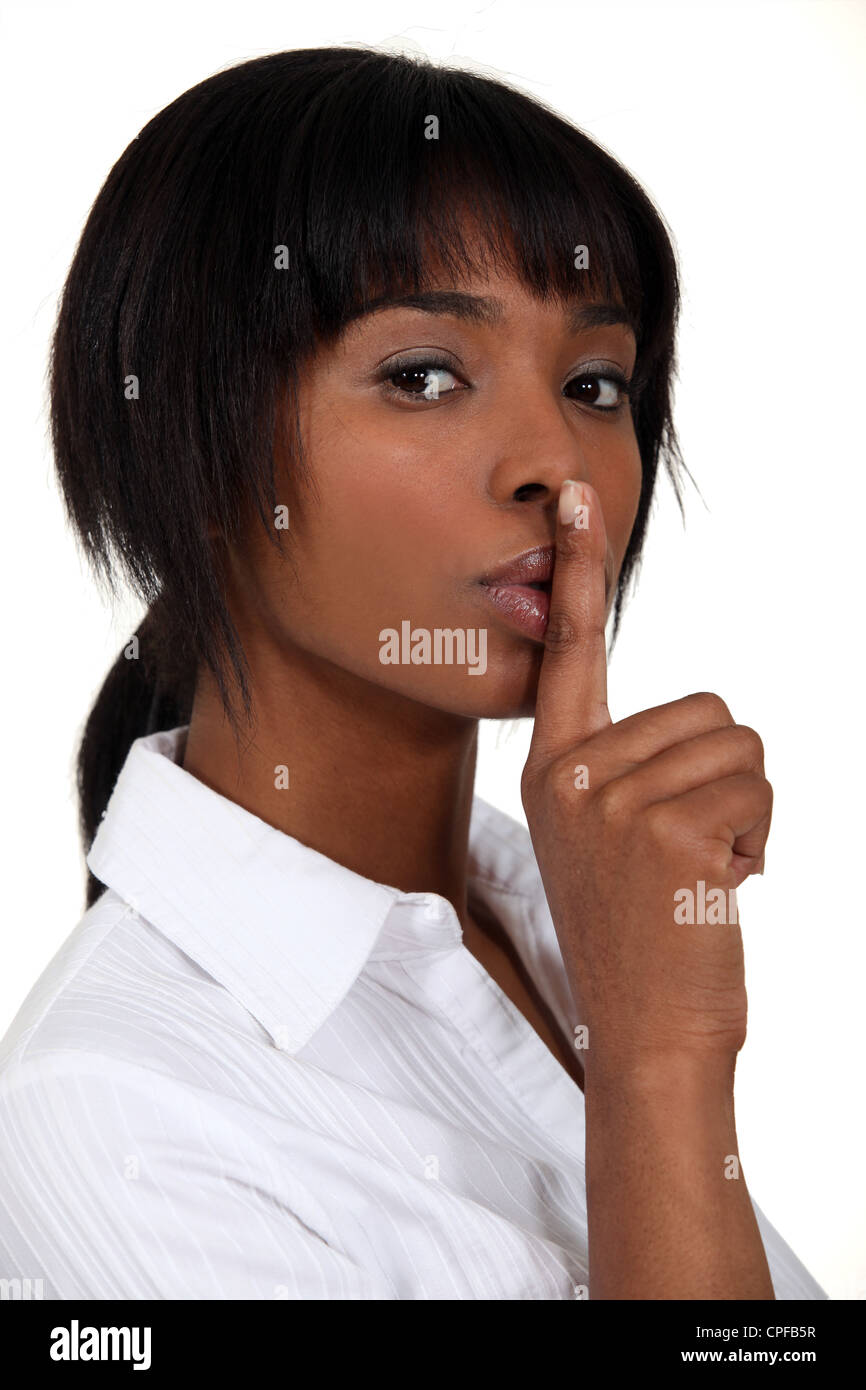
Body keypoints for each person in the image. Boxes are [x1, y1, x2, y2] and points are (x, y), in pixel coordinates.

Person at [0, 45, 826, 1300]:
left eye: (595, 383)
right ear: (189, 435)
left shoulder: (569, 909)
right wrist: (660, 1066)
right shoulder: (116, 1117)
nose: (559, 463)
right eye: (422, 375)